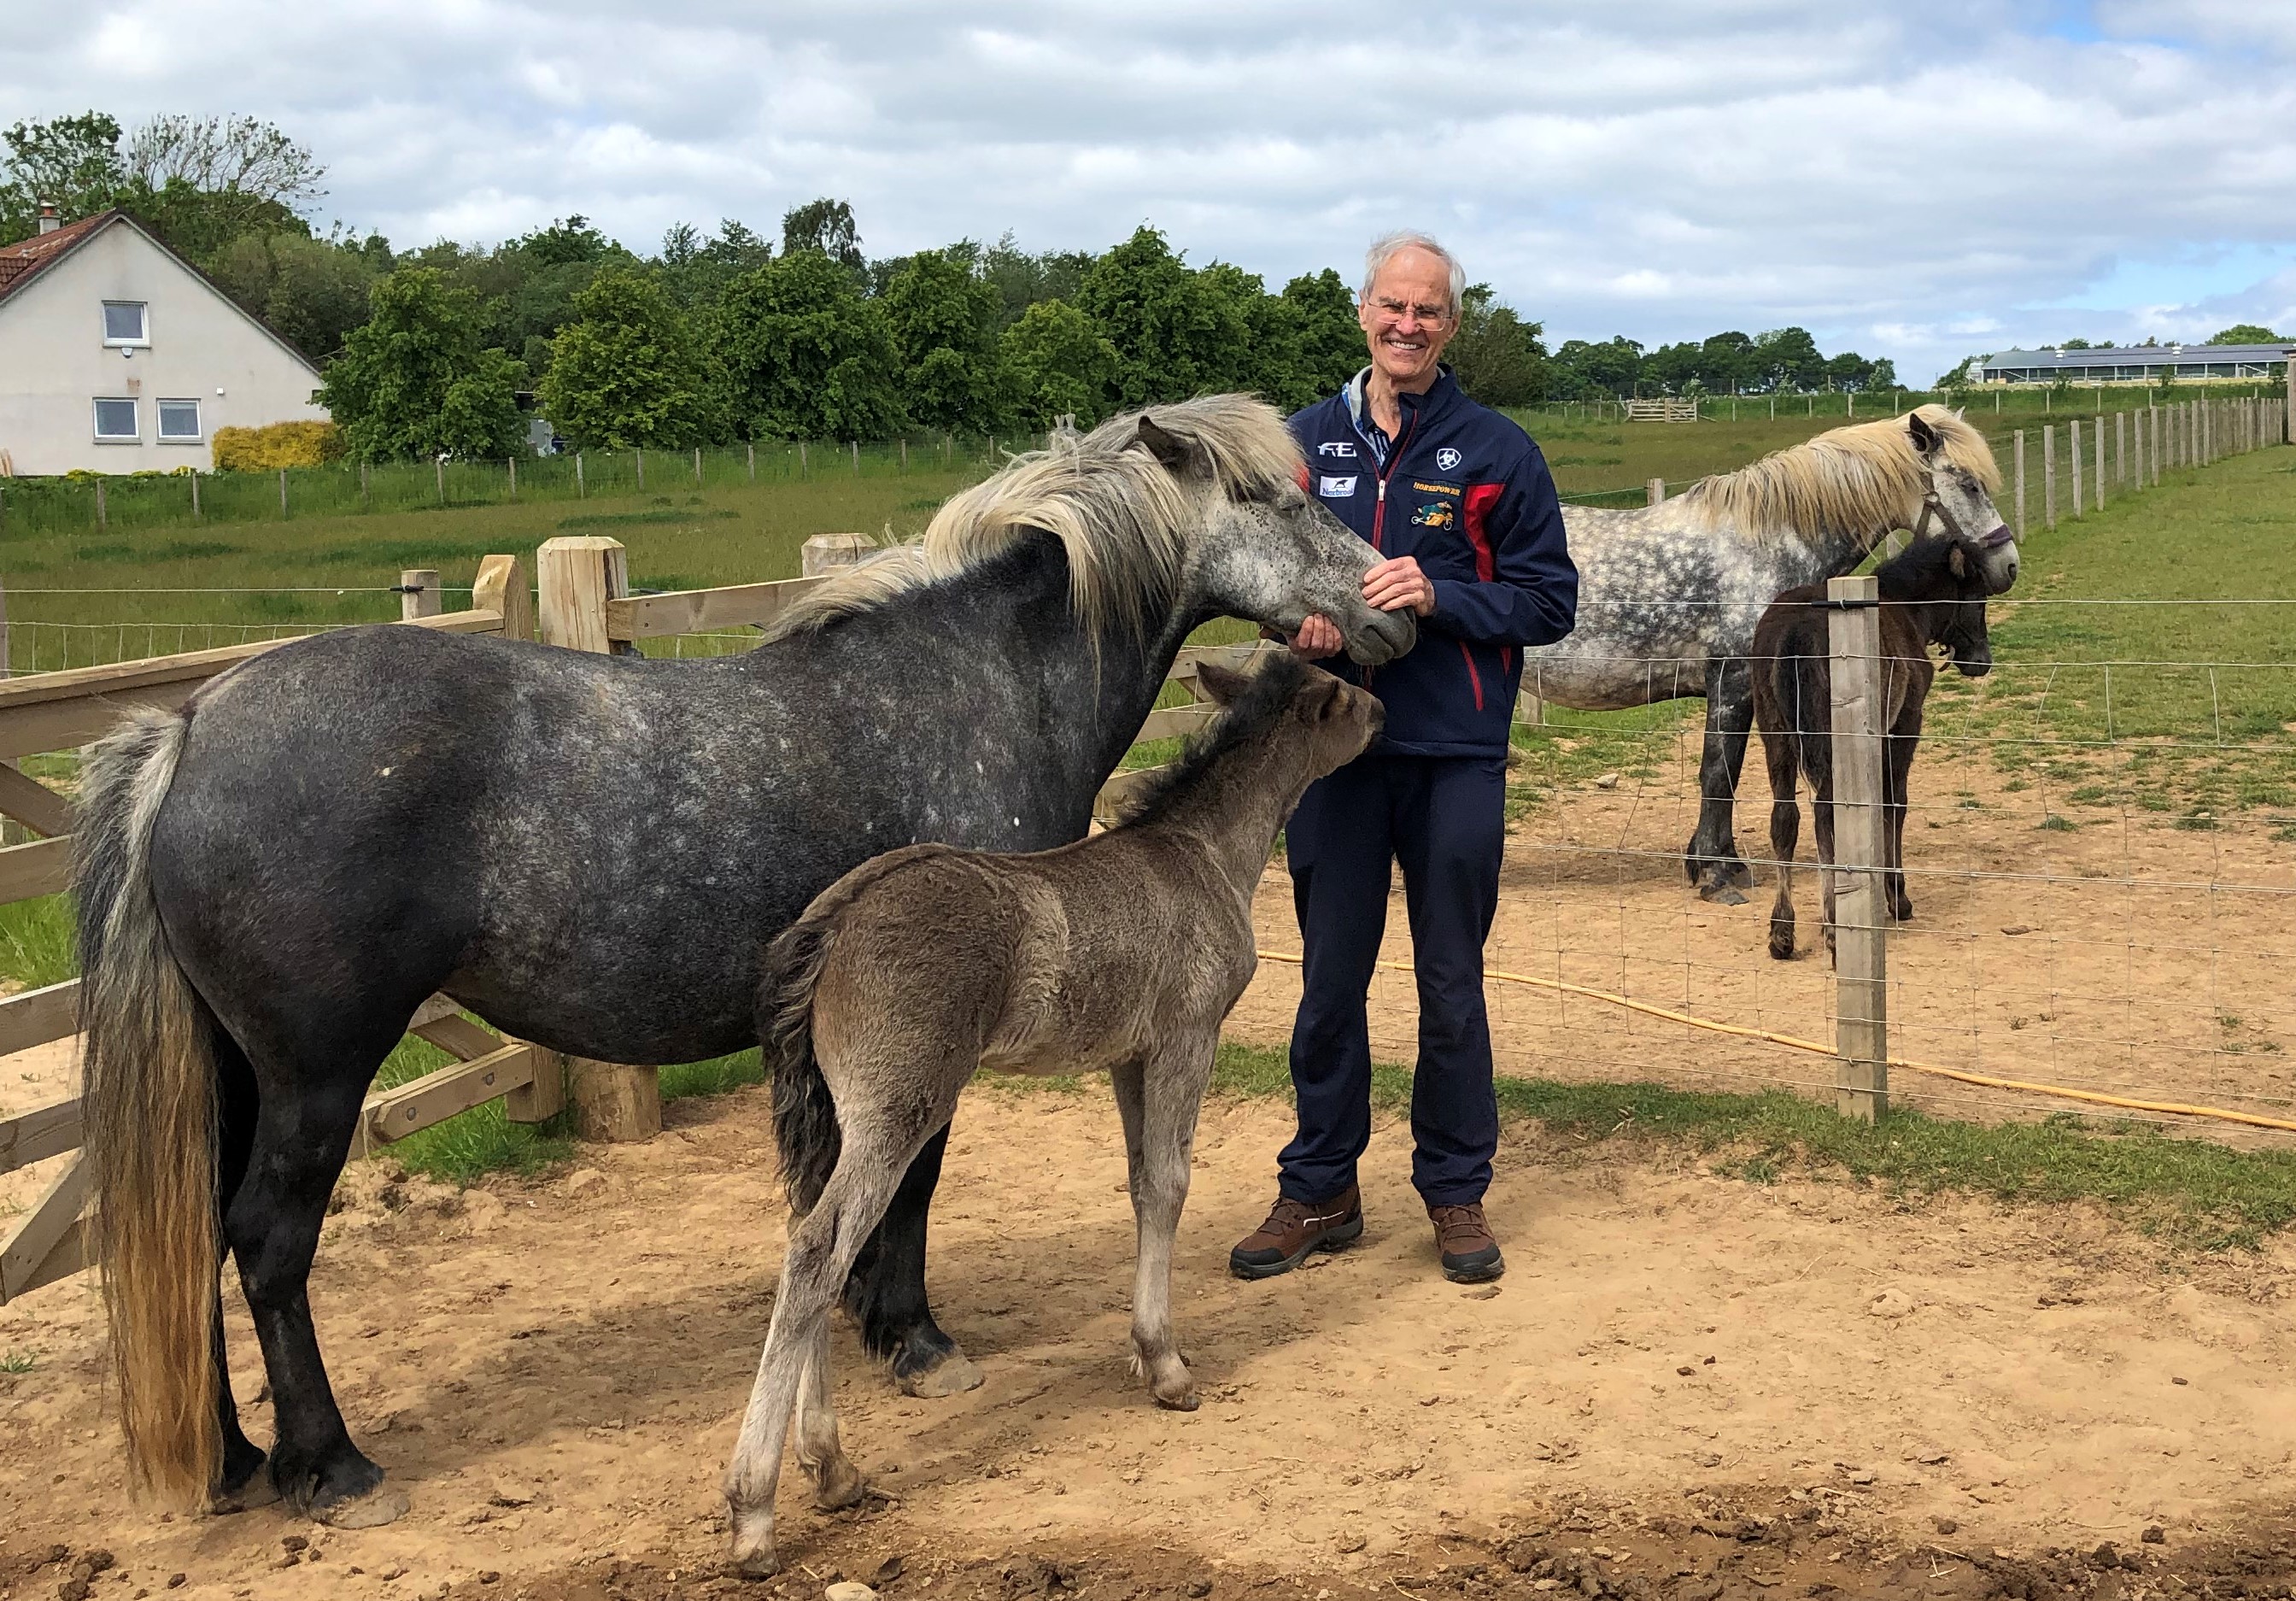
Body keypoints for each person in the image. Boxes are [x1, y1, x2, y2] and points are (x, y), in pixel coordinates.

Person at [1229, 231, 1578, 1285]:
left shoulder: (1499, 450)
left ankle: (1456, 1190)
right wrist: (1301, 624)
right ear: (1363, 311)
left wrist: (1442, 594)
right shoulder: (1296, 447)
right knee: (1330, 981)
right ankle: (1320, 1186)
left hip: (1452, 752)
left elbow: (1549, 600)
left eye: (1428, 310)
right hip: (1329, 755)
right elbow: (1257, 572)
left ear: (1451, 325)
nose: (1408, 325)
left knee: (1450, 982)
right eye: (1393, 305)